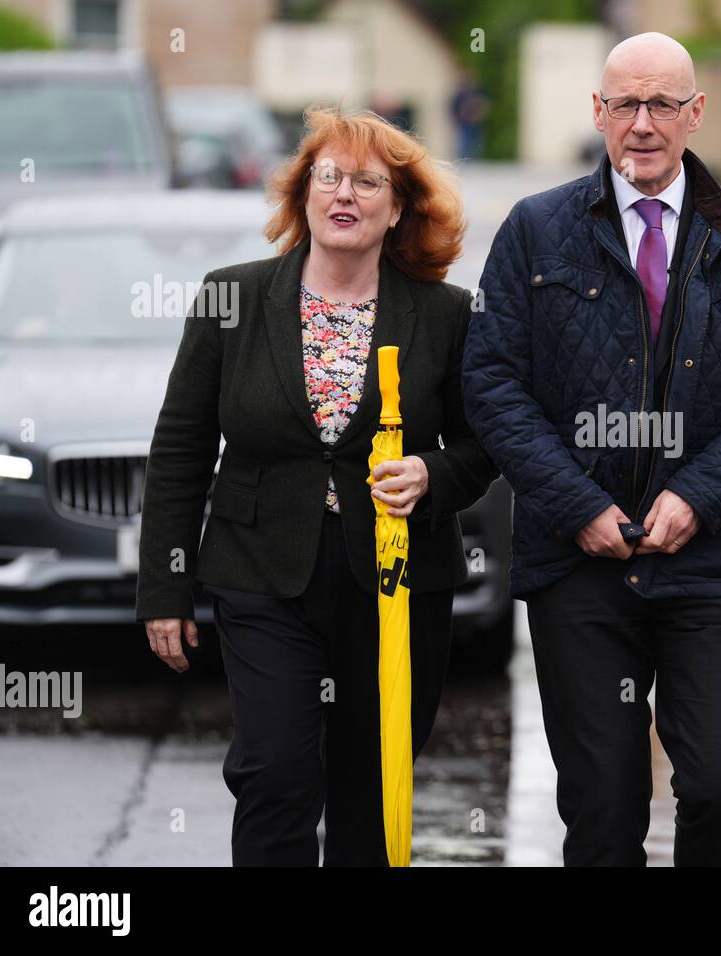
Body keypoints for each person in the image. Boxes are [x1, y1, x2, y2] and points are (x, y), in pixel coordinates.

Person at [462, 32, 721, 866]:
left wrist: (699, 496)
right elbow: (490, 381)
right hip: (579, 568)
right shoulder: (535, 231)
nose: (642, 122)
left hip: (715, 561)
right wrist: (578, 505)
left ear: (694, 114)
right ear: (598, 112)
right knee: (601, 815)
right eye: (625, 103)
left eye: (662, 103)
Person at [135, 106, 498, 866]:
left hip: (397, 583)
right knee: (275, 771)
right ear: (302, 194)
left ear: (397, 208)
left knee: (371, 787)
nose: (345, 194)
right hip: (262, 573)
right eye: (328, 176)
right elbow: (181, 449)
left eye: (368, 182)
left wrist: (432, 472)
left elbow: (486, 443)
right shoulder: (230, 299)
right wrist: (164, 587)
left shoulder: (445, 315)